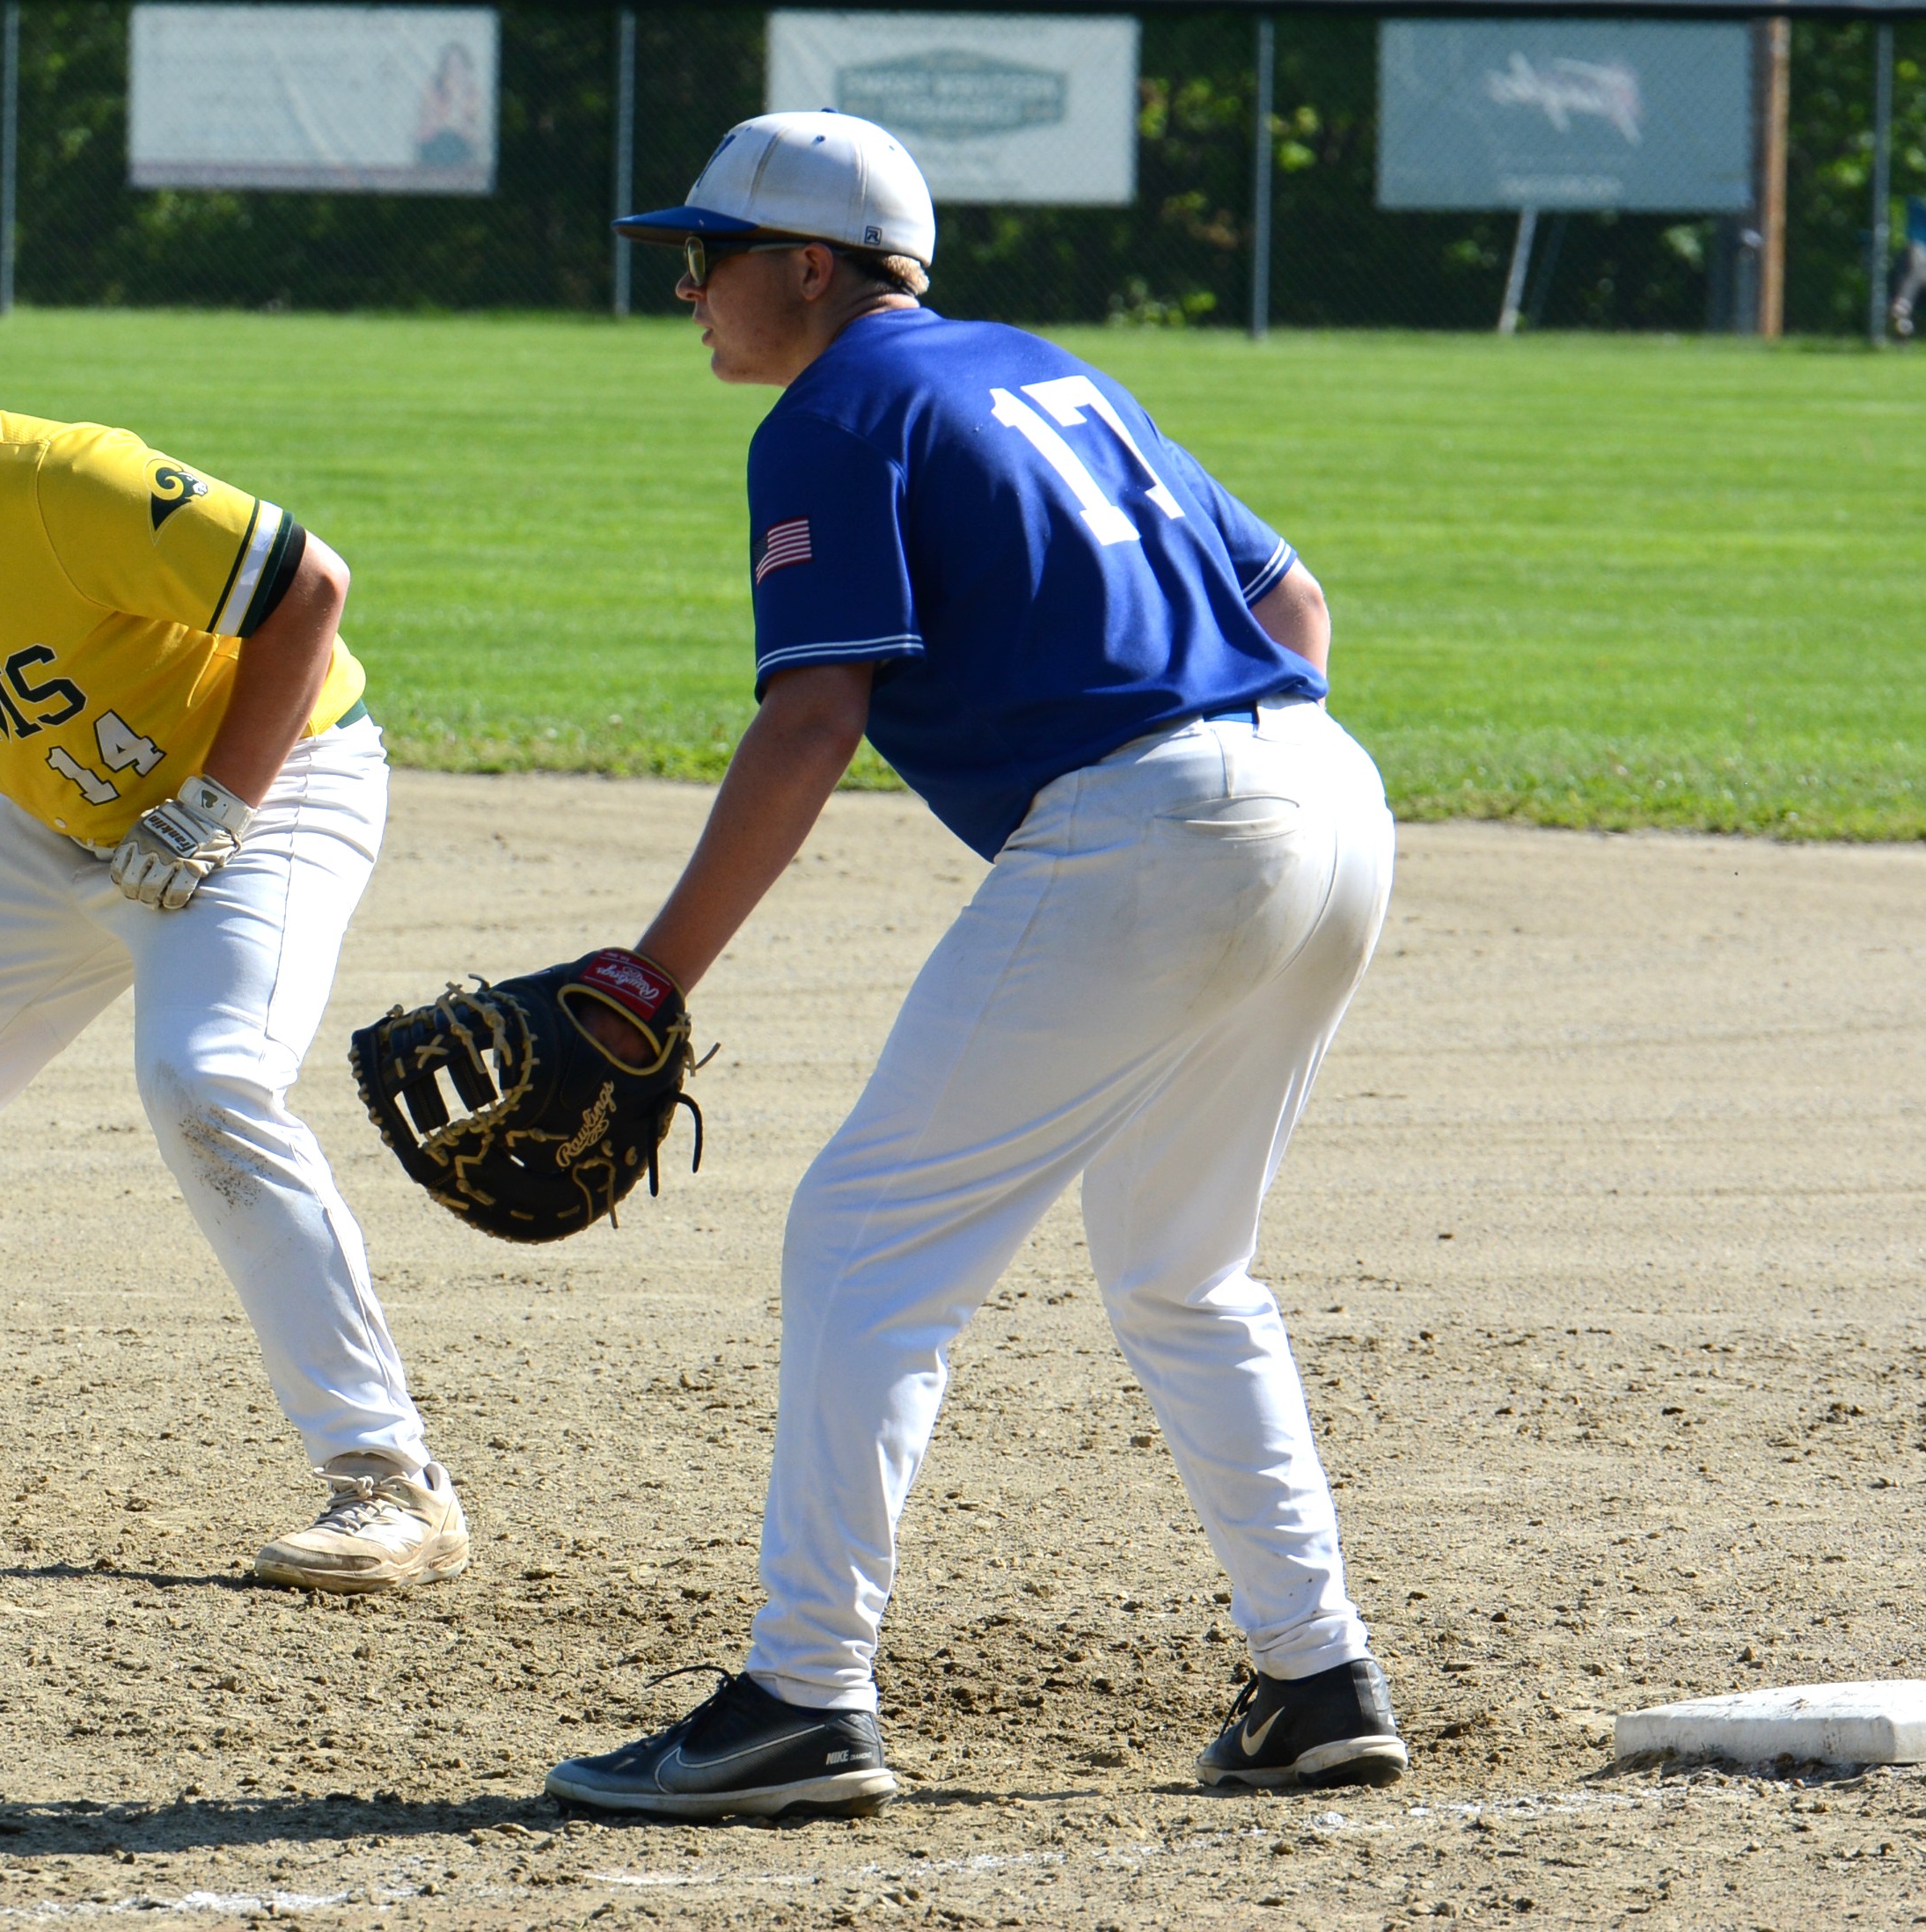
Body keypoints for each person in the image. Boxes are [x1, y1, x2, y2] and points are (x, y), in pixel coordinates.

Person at [541, 114, 1407, 1817]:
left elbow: (814, 717)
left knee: (865, 1240)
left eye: (707, 257)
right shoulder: (1047, 368)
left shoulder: (833, 413)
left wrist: (651, 976)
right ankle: (1318, 1677)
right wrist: (1231, 788)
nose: (688, 289)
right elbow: (1294, 606)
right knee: (1185, 1270)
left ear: (811, 268)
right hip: (1327, 792)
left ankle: (802, 1697)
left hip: (1161, 823)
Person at [0, 230, 467, 1594]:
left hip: (276, 782)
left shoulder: (64, 484)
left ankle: (389, 1479)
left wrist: (223, 802)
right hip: (69, 817)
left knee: (207, 1079)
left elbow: (309, 588)